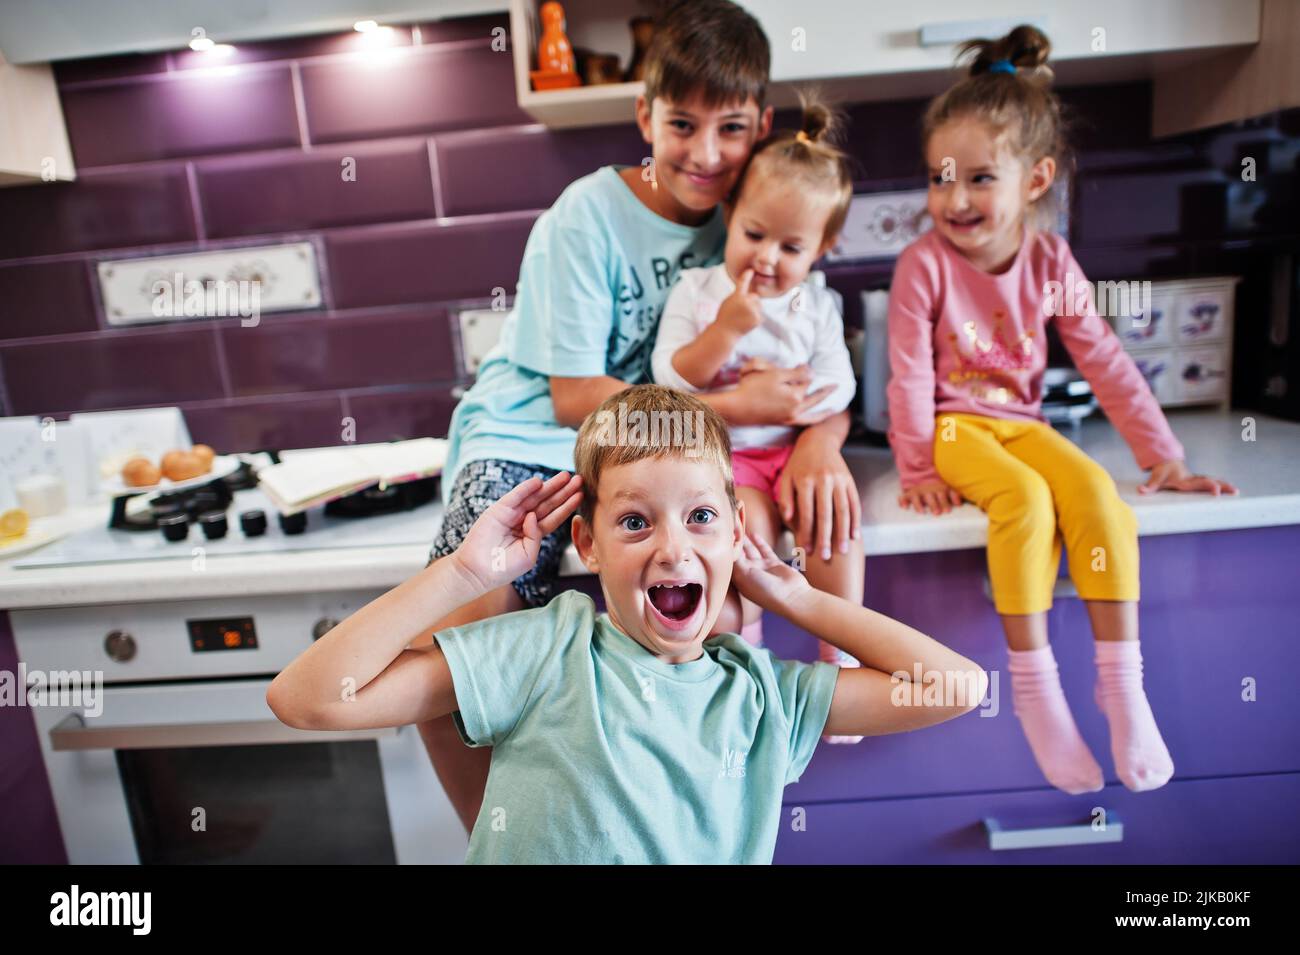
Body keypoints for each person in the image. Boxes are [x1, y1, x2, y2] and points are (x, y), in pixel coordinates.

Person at [410, 0, 861, 834]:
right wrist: (735, 408)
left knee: (718, 620)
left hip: (657, 458)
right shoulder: (587, 215)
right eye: (681, 123)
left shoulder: (758, 221)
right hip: (532, 440)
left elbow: (815, 374)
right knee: (458, 642)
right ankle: (504, 841)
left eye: (729, 128)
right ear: (643, 115)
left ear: (759, 125)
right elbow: (573, 395)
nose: (704, 151)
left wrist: (820, 442)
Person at [267, 385, 987, 863]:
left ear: (735, 535)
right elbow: (309, 698)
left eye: (701, 517)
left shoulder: (763, 696)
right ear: (587, 543)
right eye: (635, 521)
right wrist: (459, 575)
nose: (673, 547)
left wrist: (797, 598)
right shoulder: (545, 650)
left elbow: (954, 686)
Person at [886, 25, 1237, 795]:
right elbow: (910, 371)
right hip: (955, 427)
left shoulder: (1051, 261)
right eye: (941, 178)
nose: (954, 199)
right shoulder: (922, 264)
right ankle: (1036, 691)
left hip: (1024, 424)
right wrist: (917, 466)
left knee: (1098, 501)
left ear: (1036, 179)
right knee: (1026, 502)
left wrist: (1161, 456)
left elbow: (1103, 356)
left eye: (980, 179)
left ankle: (1122, 687)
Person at [651, 93, 865, 742]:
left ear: (821, 248)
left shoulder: (817, 306)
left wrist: (797, 411)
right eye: (753, 234)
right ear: (729, 213)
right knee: (750, 539)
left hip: (792, 450)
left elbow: (839, 384)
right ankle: (753, 673)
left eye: (790, 246)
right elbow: (670, 379)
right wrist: (726, 331)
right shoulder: (697, 293)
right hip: (728, 457)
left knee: (837, 529)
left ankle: (842, 665)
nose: (767, 258)